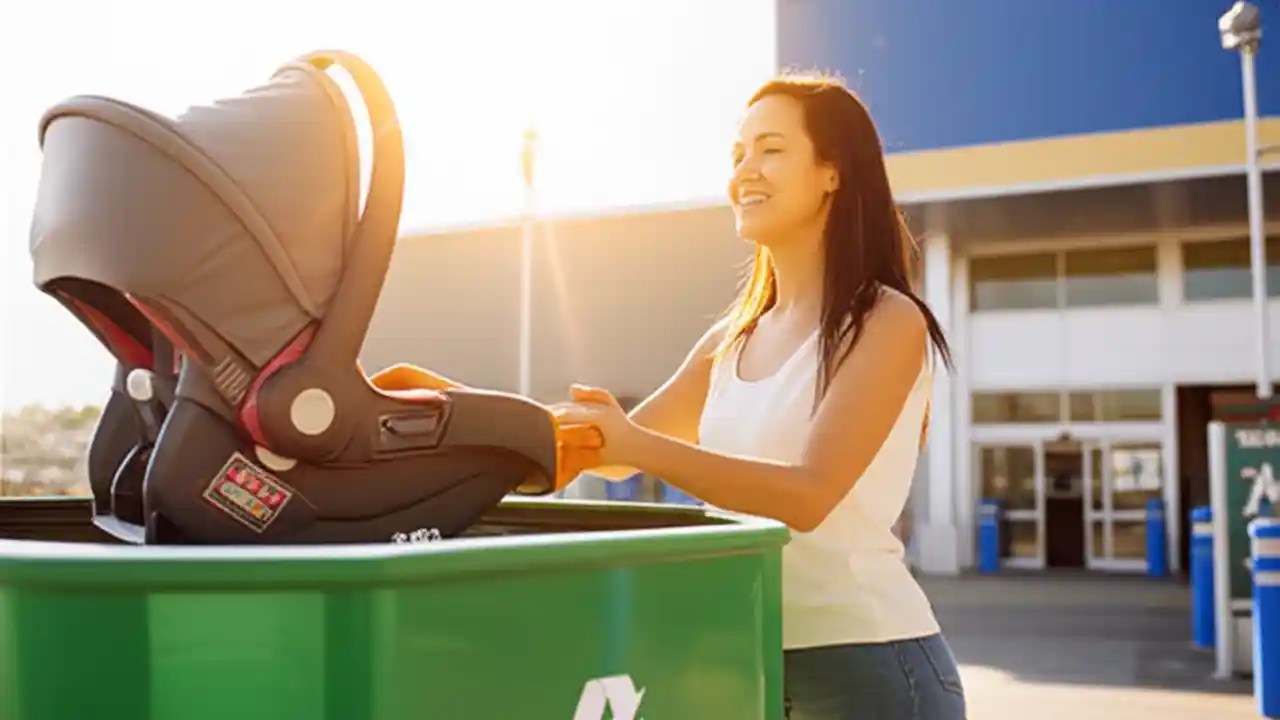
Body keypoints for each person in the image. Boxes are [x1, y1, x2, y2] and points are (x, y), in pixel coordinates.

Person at [551, 72, 967, 719]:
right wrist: (455, 412)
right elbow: (611, 454)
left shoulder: (887, 321)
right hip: (750, 657)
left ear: (832, 172)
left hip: (869, 667)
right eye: (737, 154)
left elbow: (807, 495)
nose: (746, 170)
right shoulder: (733, 338)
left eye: (770, 149)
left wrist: (637, 444)